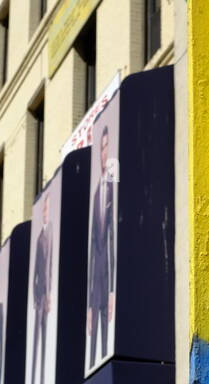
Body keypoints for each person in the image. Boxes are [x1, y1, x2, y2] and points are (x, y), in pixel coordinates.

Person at [87, 125, 116, 369]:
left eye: (107, 146)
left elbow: (113, 239)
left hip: (107, 280)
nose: (104, 152)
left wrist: (113, 290)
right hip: (94, 284)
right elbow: (92, 248)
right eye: (102, 148)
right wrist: (89, 303)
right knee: (93, 356)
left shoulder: (113, 187)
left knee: (108, 350)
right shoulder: (96, 192)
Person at [29, 193, 53, 384]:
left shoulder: (52, 233)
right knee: (36, 346)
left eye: (47, 209)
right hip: (39, 300)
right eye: (44, 209)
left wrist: (50, 295)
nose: (46, 213)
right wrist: (39, 297)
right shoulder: (40, 239)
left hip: (48, 299)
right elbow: (37, 273)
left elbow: (49, 269)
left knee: (44, 346)